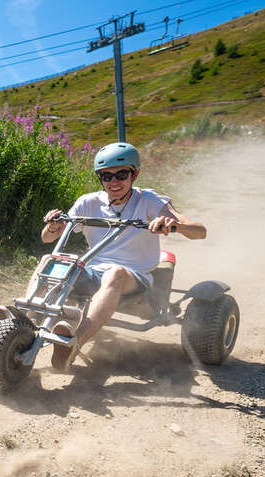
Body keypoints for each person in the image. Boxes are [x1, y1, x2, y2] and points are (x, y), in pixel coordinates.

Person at [40, 142, 206, 370]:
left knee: (115, 273)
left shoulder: (148, 200)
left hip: (133, 278)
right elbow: (46, 239)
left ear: (134, 174)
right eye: (107, 176)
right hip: (91, 272)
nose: (114, 181)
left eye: (121, 174)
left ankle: (73, 345)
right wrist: (53, 226)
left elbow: (200, 231)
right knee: (49, 260)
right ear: (100, 178)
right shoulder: (88, 202)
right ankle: (25, 325)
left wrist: (172, 224)